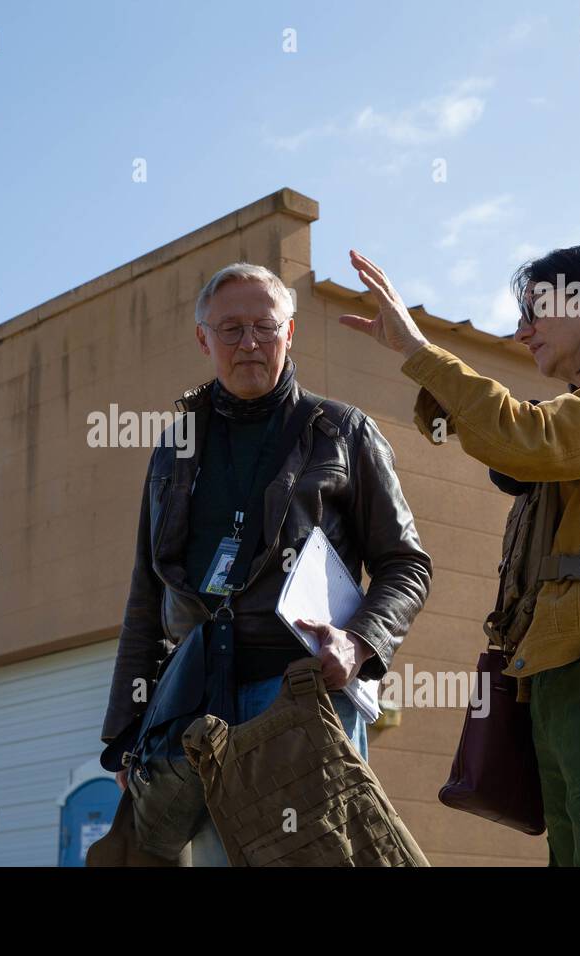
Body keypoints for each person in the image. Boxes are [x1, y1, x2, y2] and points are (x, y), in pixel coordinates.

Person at [340, 245, 580, 866]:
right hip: (577, 674)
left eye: (540, 309)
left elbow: (527, 438)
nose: (523, 331)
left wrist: (419, 350)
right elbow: (504, 439)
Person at [101, 262, 432, 866]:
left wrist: (359, 644)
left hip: (305, 693)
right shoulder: (175, 449)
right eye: (229, 329)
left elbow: (405, 564)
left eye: (263, 326)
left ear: (291, 332)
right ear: (203, 339)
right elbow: (146, 596)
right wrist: (127, 733)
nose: (248, 342)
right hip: (197, 705)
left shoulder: (344, 432)